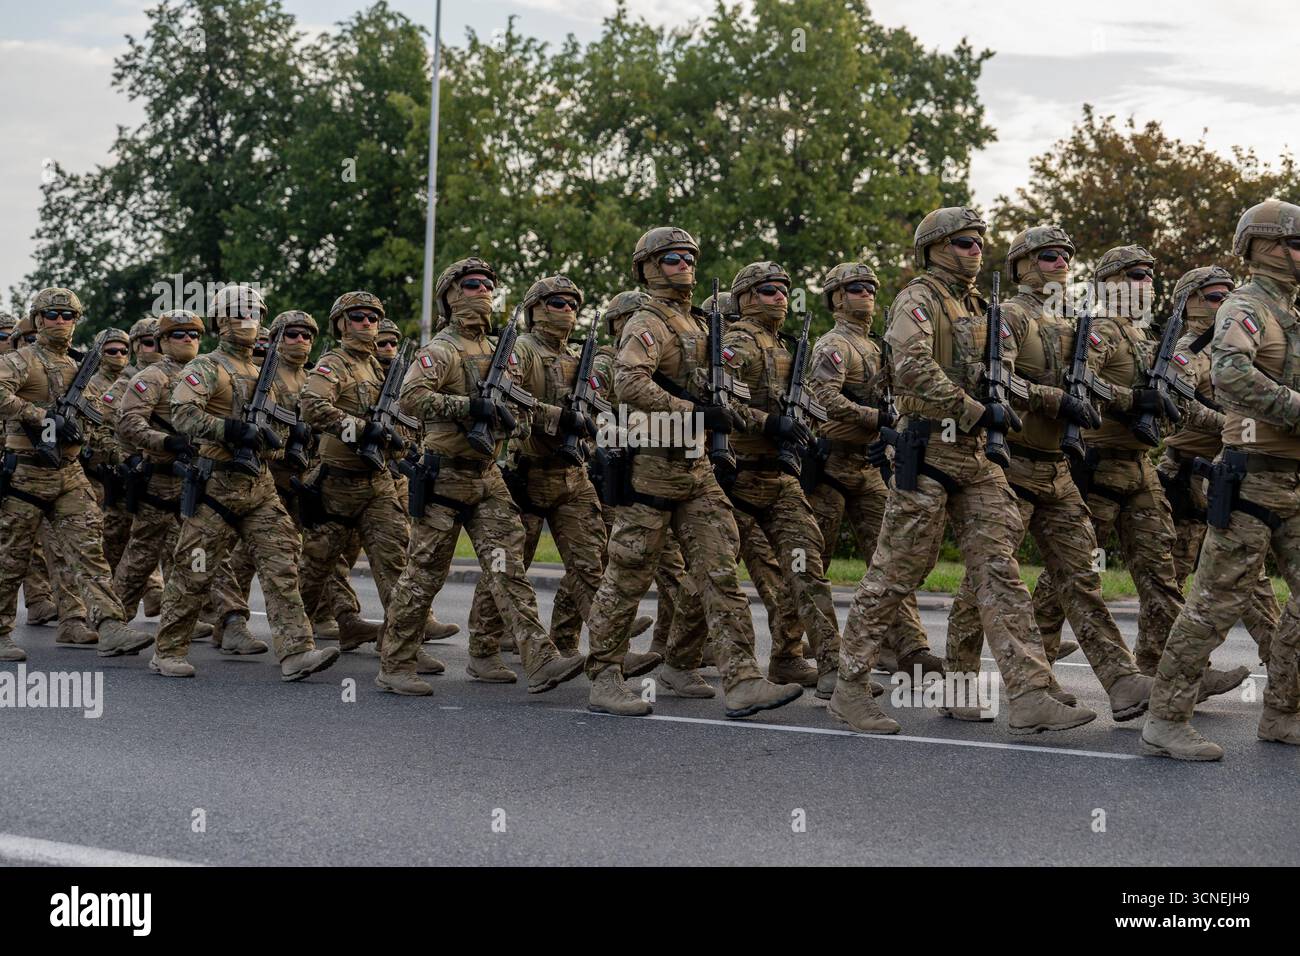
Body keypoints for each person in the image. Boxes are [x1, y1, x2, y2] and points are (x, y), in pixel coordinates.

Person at [1143, 199, 1300, 760]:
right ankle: (1165, 718)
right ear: (1266, 246)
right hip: (1252, 479)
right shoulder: (1246, 305)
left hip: (1293, 479)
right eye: (1297, 243)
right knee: (1213, 605)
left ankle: (1283, 711)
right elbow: (1231, 374)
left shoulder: (1291, 313)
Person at [0, 288, 154, 662]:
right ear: (37, 320)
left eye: (68, 315)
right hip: (26, 472)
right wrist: (42, 416)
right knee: (12, 558)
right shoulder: (22, 360)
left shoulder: (81, 367)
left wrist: (118, 455)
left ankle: (107, 626)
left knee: (89, 553)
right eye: (51, 314)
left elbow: (100, 421)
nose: (59, 322)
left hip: (69, 473)